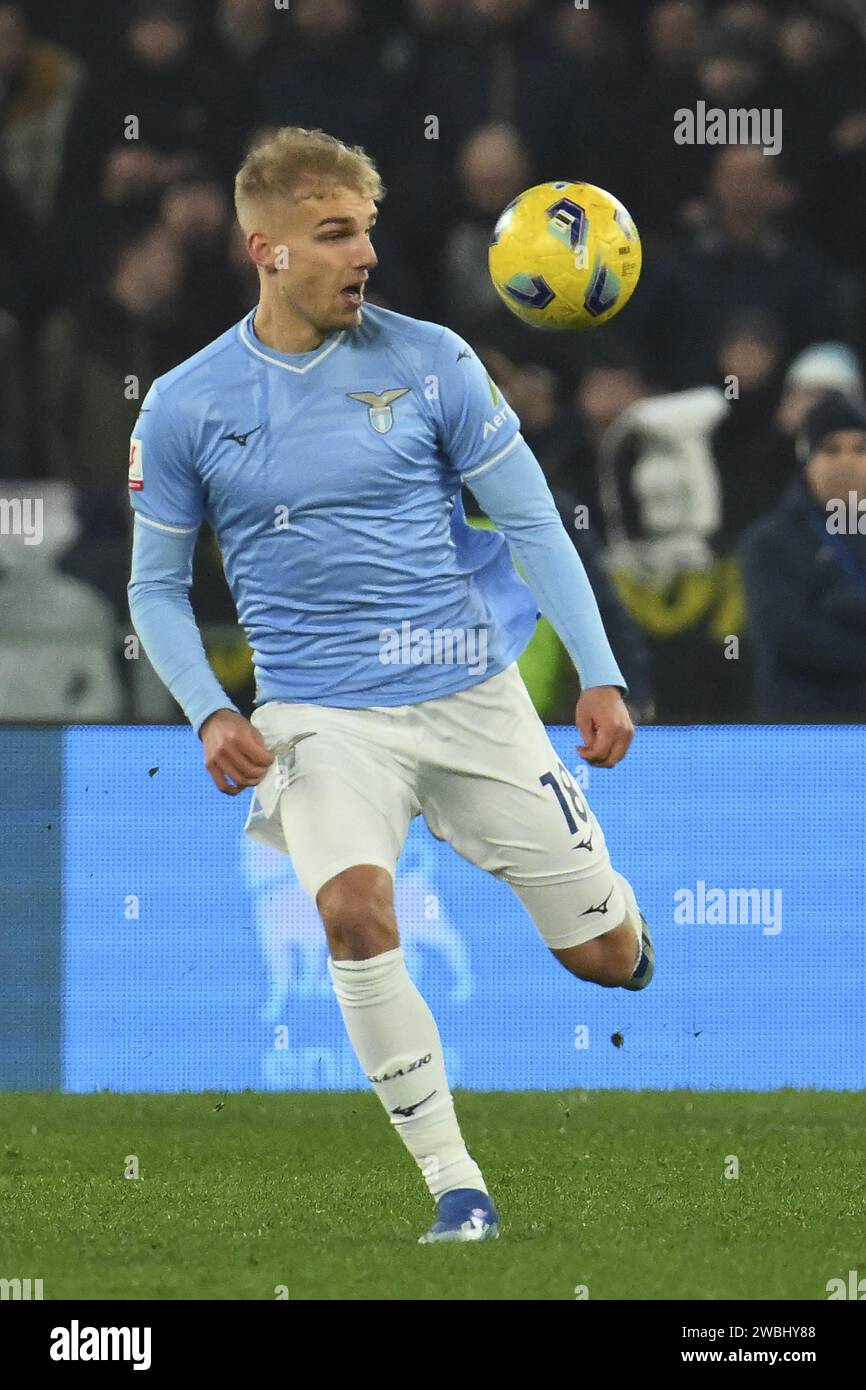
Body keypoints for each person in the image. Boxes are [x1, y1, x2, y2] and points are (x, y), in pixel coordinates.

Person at [127, 126, 654, 1246]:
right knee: (351, 913)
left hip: (469, 694)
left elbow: (529, 523)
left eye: (367, 229)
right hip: (318, 716)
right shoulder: (183, 404)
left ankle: (616, 919)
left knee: (605, 961)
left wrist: (599, 675)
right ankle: (457, 1189)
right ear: (263, 248)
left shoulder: (433, 360)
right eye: (334, 234)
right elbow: (154, 589)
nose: (363, 253)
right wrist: (210, 709)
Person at [741, 391, 866, 717]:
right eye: (830, 449)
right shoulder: (768, 541)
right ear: (807, 460)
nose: (847, 461)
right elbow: (786, 633)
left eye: (861, 449)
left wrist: (837, 607)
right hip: (803, 726)